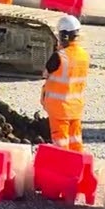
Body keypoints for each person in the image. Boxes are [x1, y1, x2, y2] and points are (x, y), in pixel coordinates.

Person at [42, 14, 89, 152]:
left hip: (59, 108)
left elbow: (45, 73)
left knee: (61, 143)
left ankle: (62, 167)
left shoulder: (59, 56)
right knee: (76, 141)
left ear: (63, 36)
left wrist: (58, 50)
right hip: (76, 107)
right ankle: (79, 165)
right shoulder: (84, 55)